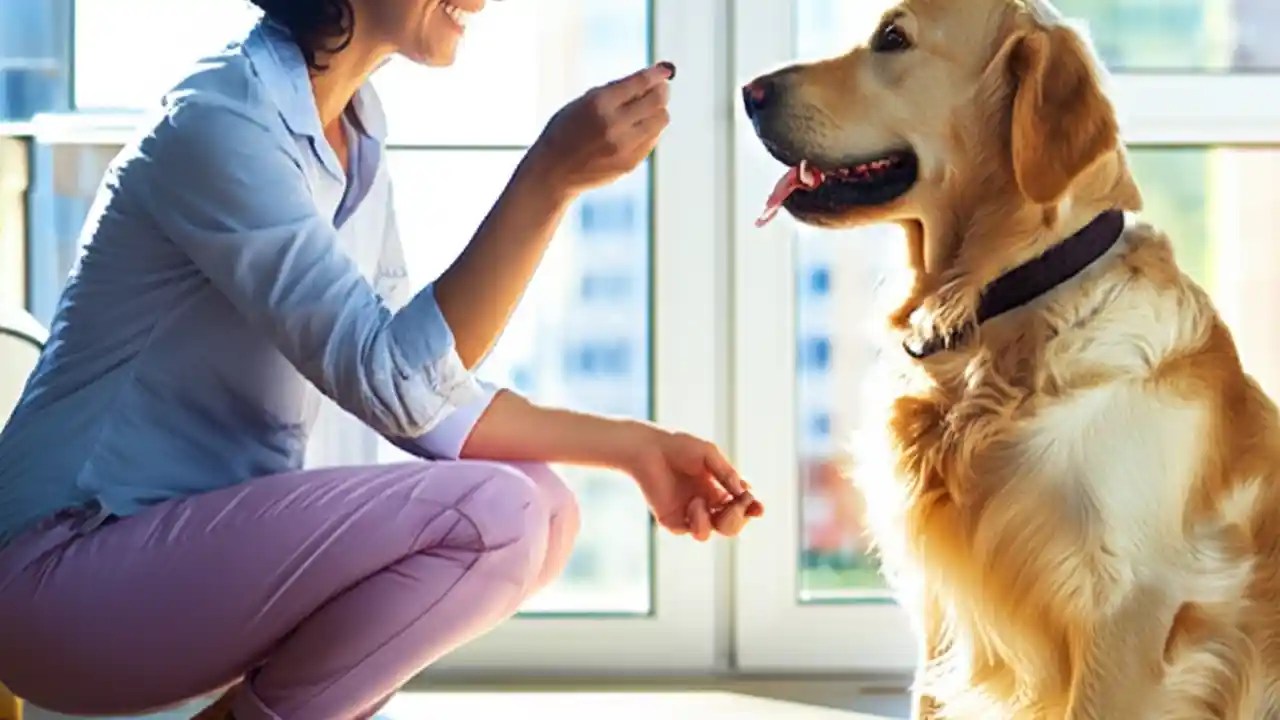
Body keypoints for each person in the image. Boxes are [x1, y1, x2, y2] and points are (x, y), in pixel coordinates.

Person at [0, 1, 763, 718]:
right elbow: (396, 380)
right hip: (61, 574)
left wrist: (636, 449)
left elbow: (427, 394)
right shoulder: (219, 126)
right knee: (496, 513)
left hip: (176, 570)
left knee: (547, 505)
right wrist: (548, 179)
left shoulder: (354, 131)